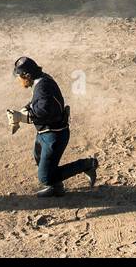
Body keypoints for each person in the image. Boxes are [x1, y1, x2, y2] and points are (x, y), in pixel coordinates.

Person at [7, 57, 98, 198]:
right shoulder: (41, 81)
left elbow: (45, 112)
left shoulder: (43, 88)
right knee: (39, 157)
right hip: (45, 132)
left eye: (20, 76)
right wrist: (23, 110)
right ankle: (56, 188)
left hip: (54, 136)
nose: (19, 80)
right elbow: (36, 103)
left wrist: (21, 117)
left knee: (45, 178)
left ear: (28, 76)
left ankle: (87, 164)